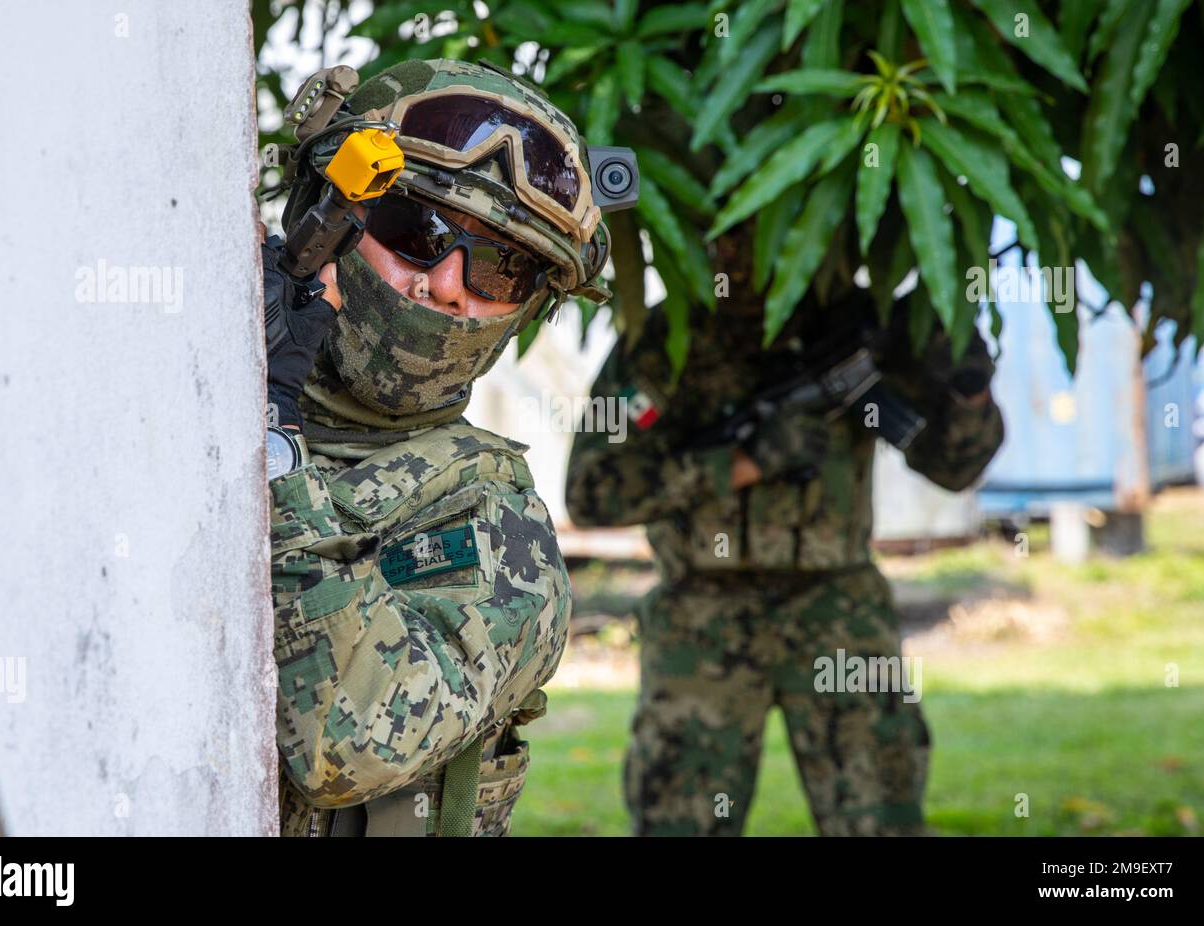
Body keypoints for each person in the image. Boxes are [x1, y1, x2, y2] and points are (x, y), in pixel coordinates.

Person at [263, 58, 614, 836]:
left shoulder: (499, 528)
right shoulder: (193, 405)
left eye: (500, 266)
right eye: (414, 230)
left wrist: (271, 440)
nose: (450, 284)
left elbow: (343, 744)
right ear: (324, 211)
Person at [565, 273, 1005, 836]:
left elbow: (954, 465)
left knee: (880, 812)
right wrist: (738, 463)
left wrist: (967, 387)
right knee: (680, 817)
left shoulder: (858, 326)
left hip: (837, 606)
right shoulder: (667, 336)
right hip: (703, 613)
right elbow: (593, 491)